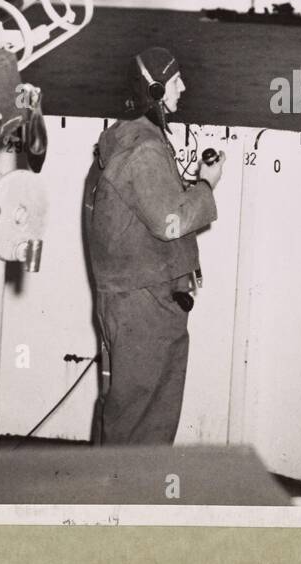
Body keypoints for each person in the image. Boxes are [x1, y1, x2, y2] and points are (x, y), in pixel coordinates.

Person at [82, 46, 225, 445]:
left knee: (130, 405)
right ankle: (128, 498)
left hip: (134, 297)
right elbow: (169, 220)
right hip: (144, 305)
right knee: (146, 413)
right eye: (176, 80)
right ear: (156, 90)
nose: (185, 86)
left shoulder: (127, 138)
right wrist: (207, 183)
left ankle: (117, 494)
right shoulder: (144, 149)